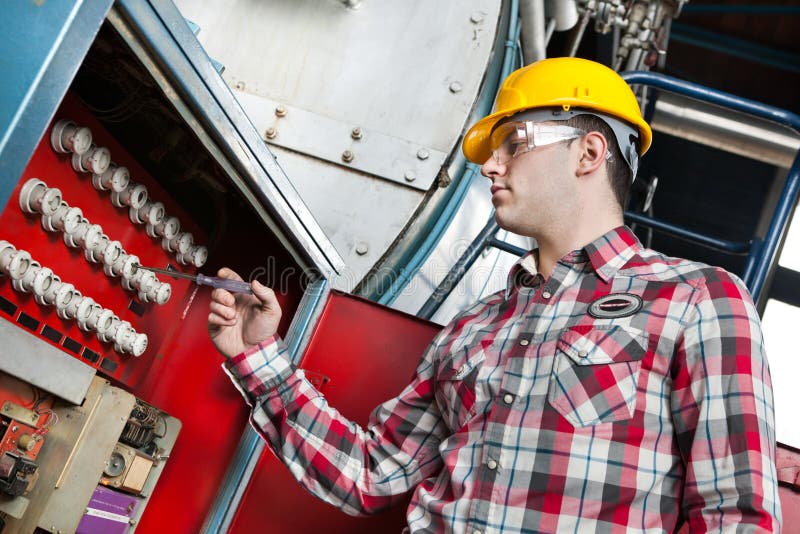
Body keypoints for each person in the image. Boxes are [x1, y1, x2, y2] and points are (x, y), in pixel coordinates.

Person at [208, 57, 782, 532]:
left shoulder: (698, 302)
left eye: (514, 142)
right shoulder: (473, 327)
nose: (491, 167)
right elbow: (371, 472)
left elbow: (735, 517)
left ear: (588, 153)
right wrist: (259, 357)